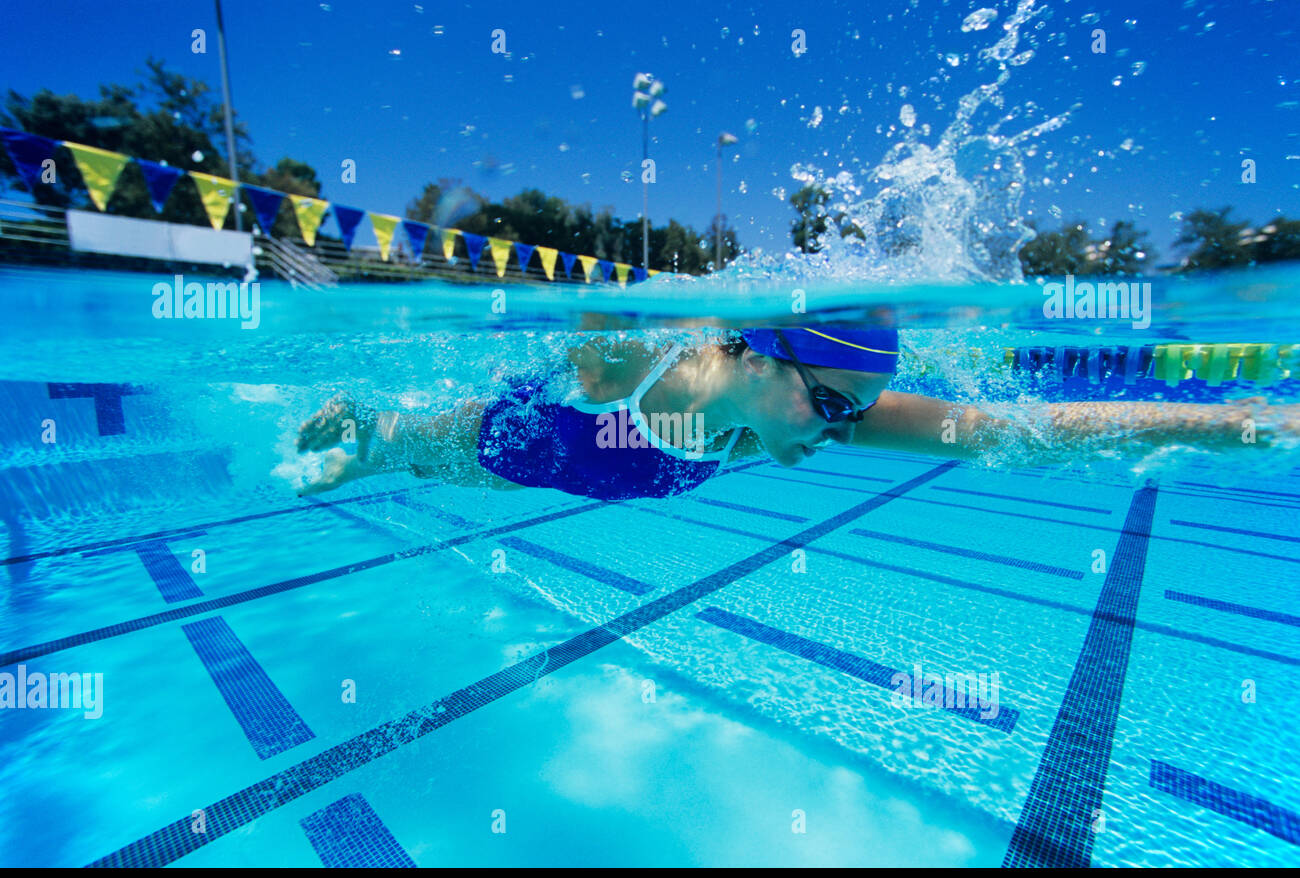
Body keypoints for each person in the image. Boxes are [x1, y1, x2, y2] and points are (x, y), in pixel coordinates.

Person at [294, 326, 1291, 499]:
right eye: (825, 405)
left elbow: (1003, 432)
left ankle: (367, 444)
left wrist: (1233, 418)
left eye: (844, 413)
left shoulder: (814, 402)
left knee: (409, 464)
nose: (834, 428)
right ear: (765, 359)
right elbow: (530, 357)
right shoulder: (642, 360)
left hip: (572, 469)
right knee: (416, 449)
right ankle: (363, 419)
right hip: (520, 436)